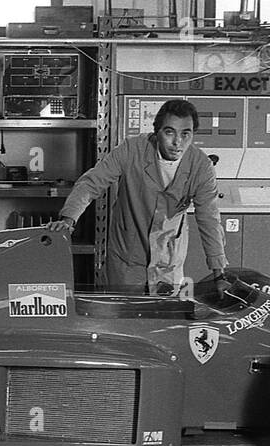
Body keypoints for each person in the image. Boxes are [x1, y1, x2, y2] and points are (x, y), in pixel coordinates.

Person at [50, 99, 231, 297]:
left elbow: (209, 220)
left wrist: (219, 275)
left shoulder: (201, 166)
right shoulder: (132, 150)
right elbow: (92, 183)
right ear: (157, 132)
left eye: (185, 134)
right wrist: (68, 220)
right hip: (126, 261)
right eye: (169, 132)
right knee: (119, 321)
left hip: (168, 264)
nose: (177, 142)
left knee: (163, 320)